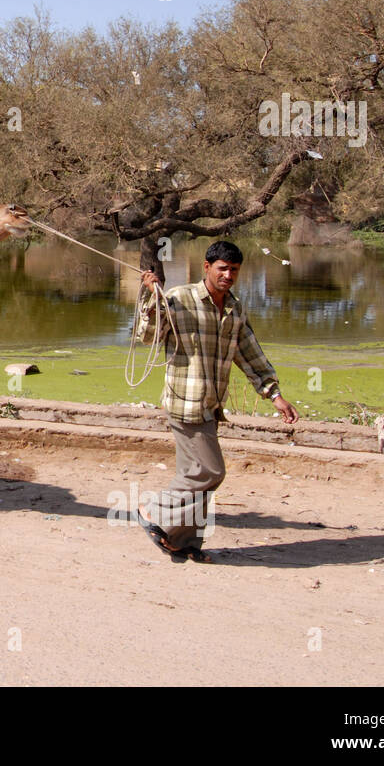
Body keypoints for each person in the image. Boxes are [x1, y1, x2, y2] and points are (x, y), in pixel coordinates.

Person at [133, 240, 298, 562]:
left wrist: (274, 394)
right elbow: (149, 336)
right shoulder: (179, 298)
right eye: (222, 268)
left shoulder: (235, 309)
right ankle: (152, 508)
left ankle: (184, 543)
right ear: (206, 267)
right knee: (210, 471)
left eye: (234, 270)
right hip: (185, 402)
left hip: (210, 403)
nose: (228, 275)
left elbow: (250, 354)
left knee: (197, 472)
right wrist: (151, 298)